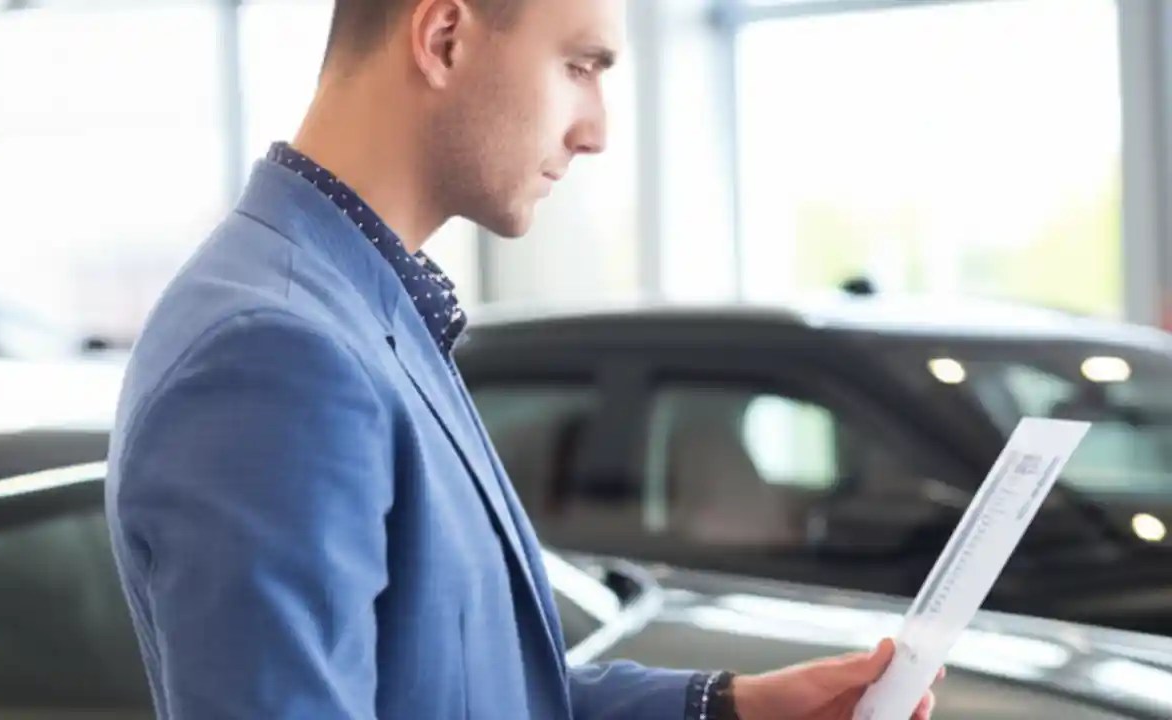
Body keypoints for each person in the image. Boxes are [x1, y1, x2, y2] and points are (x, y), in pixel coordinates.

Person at [103, 0, 940, 717]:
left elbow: (475, 694)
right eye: (579, 66)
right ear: (443, 38)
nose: (596, 131)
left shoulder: (353, 309)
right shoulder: (277, 353)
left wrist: (729, 708)